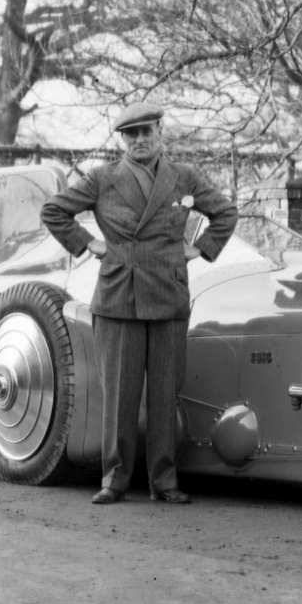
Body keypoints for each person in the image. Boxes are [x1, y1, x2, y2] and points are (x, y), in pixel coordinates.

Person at [41, 102, 238, 505]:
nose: (140, 141)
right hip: (119, 297)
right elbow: (54, 211)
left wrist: (199, 250)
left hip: (168, 294)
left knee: (165, 393)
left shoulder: (183, 177)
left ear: (160, 133)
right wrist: (89, 243)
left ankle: (164, 481)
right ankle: (114, 479)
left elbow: (226, 213)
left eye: (146, 132)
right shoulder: (102, 178)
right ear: (123, 141)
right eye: (131, 135)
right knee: (119, 395)